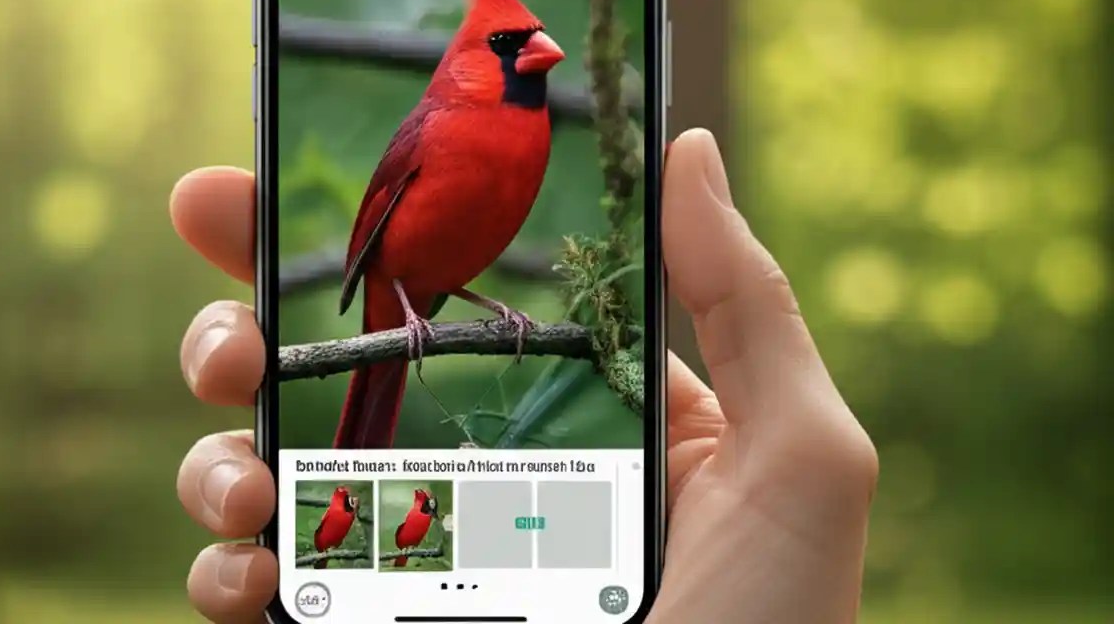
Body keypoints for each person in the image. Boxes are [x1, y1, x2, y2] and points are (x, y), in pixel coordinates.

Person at [170, 129, 879, 624]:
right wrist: (405, 315)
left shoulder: (522, 152)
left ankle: (368, 554)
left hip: (439, 289)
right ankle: (352, 557)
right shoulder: (434, 129)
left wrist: (500, 311)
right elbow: (387, 233)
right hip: (398, 291)